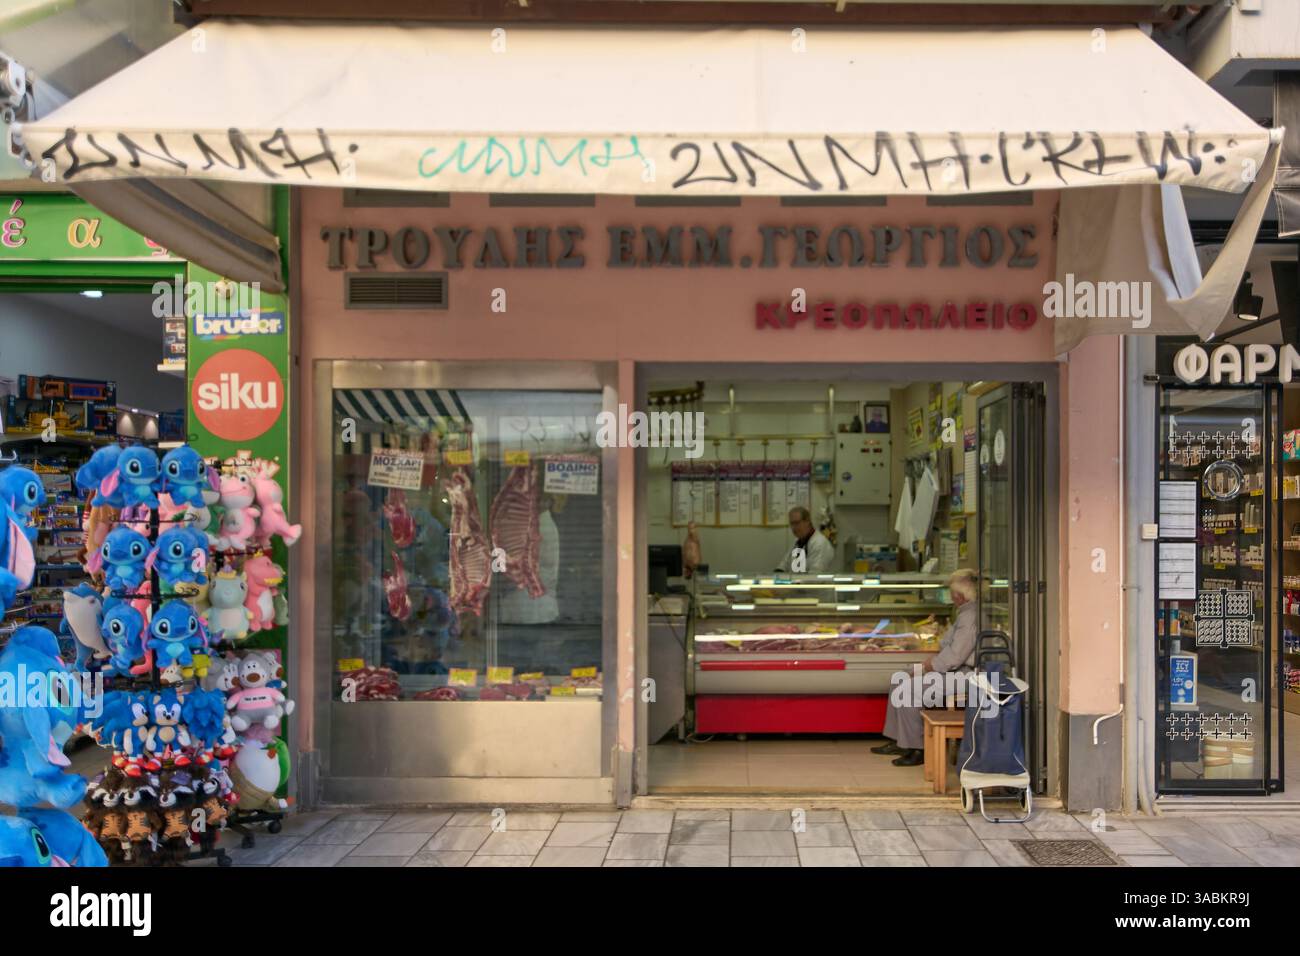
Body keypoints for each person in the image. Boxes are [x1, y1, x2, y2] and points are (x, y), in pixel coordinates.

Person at [872, 568, 980, 767]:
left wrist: (925, 667)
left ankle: (918, 748)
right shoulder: (964, 613)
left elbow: (954, 657)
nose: (951, 595)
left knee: (910, 689)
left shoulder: (970, 617)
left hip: (966, 675)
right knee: (900, 678)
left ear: (961, 594)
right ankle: (900, 740)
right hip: (955, 669)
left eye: (953, 591)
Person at [775, 506, 834, 573]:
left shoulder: (820, 543)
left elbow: (815, 576)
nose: (794, 528)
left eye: (797, 523)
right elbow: (784, 565)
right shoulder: (798, 541)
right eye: (792, 524)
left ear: (807, 521)